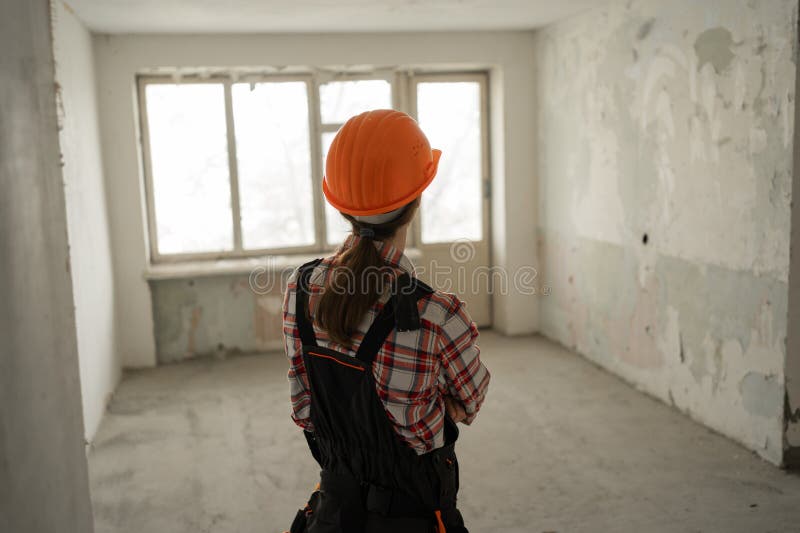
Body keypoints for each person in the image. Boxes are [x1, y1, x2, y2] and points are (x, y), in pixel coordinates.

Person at [283, 109, 490, 533]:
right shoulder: (437, 314)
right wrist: (423, 404)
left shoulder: (300, 289)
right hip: (414, 518)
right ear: (415, 200)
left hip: (334, 516)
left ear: (339, 203)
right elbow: (468, 403)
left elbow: (305, 410)